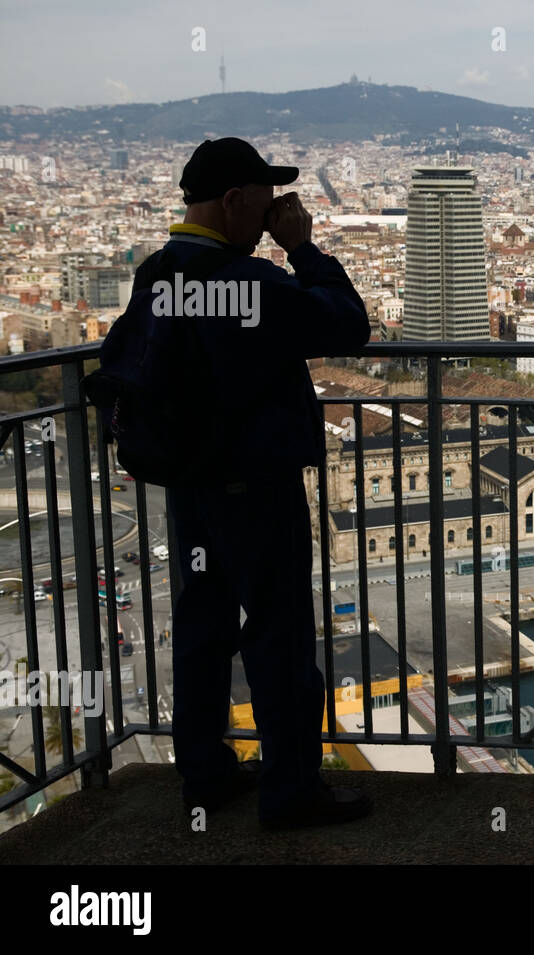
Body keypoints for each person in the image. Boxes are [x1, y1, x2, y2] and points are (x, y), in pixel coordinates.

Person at [156, 138, 373, 830]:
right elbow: (348, 324)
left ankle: (205, 773)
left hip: (189, 485)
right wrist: (302, 248)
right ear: (234, 201)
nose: (272, 207)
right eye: (264, 196)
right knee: (278, 637)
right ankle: (289, 790)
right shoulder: (248, 282)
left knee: (202, 628)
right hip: (257, 482)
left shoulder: (156, 275)